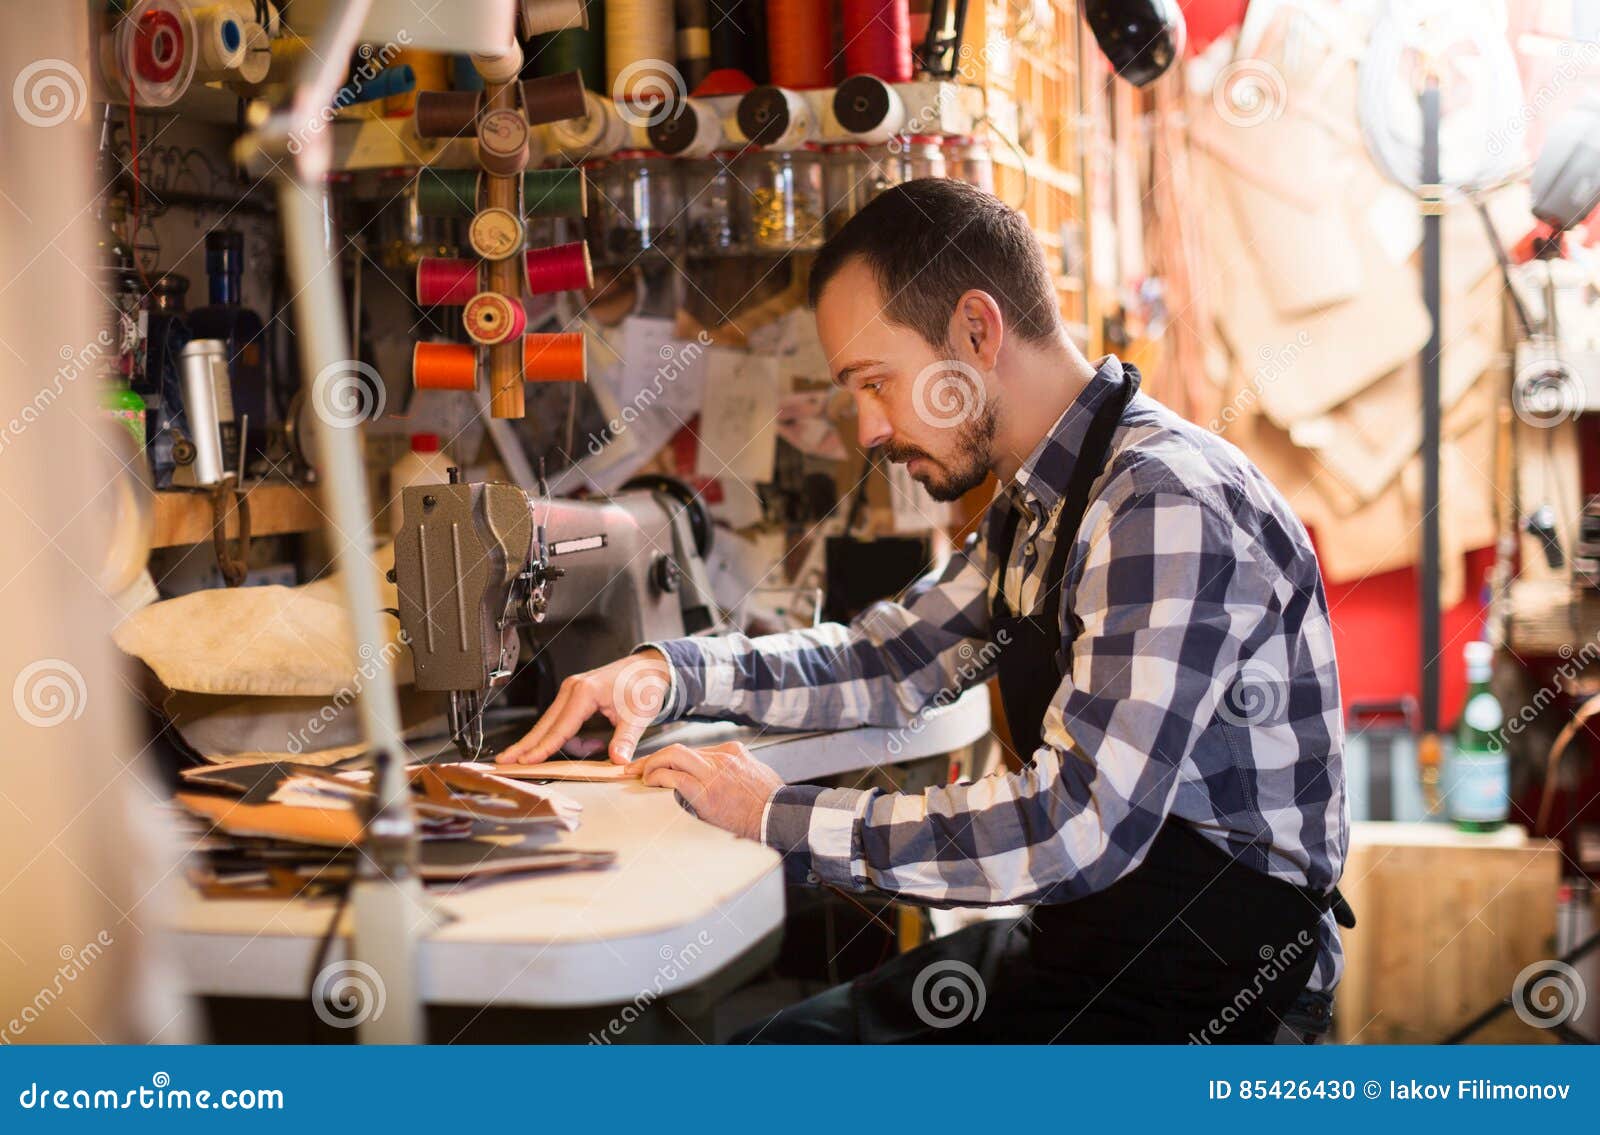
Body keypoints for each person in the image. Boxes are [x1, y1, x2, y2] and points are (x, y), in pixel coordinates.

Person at [501, 178, 1349, 1043]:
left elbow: (1076, 827)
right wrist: (668, 673)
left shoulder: (1162, 501)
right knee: (790, 1049)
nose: (868, 429)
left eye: (877, 382)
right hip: (1098, 939)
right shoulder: (1043, 499)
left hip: (1212, 988)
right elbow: (888, 661)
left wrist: (773, 810)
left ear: (977, 332)